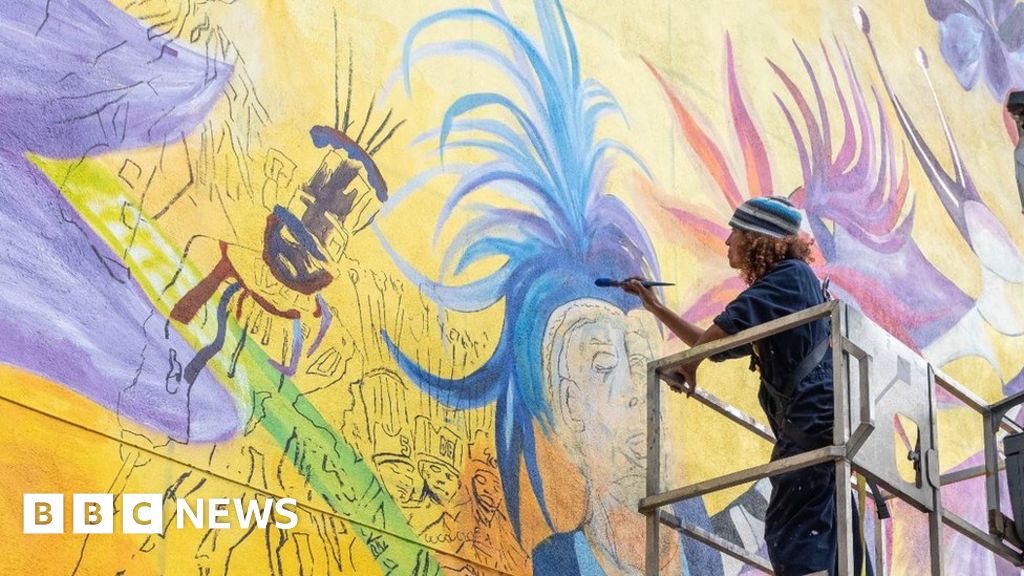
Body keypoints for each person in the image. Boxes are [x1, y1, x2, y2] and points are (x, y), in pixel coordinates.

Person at [623, 195, 871, 576]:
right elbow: (716, 342)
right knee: (827, 529)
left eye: (734, 232)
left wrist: (690, 364)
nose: (727, 242)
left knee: (793, 526)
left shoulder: (790, 276)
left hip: (811, 423)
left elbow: (722, 332)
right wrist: (656, 308)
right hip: (817, 426)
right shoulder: (784, 292)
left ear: (758, 237)